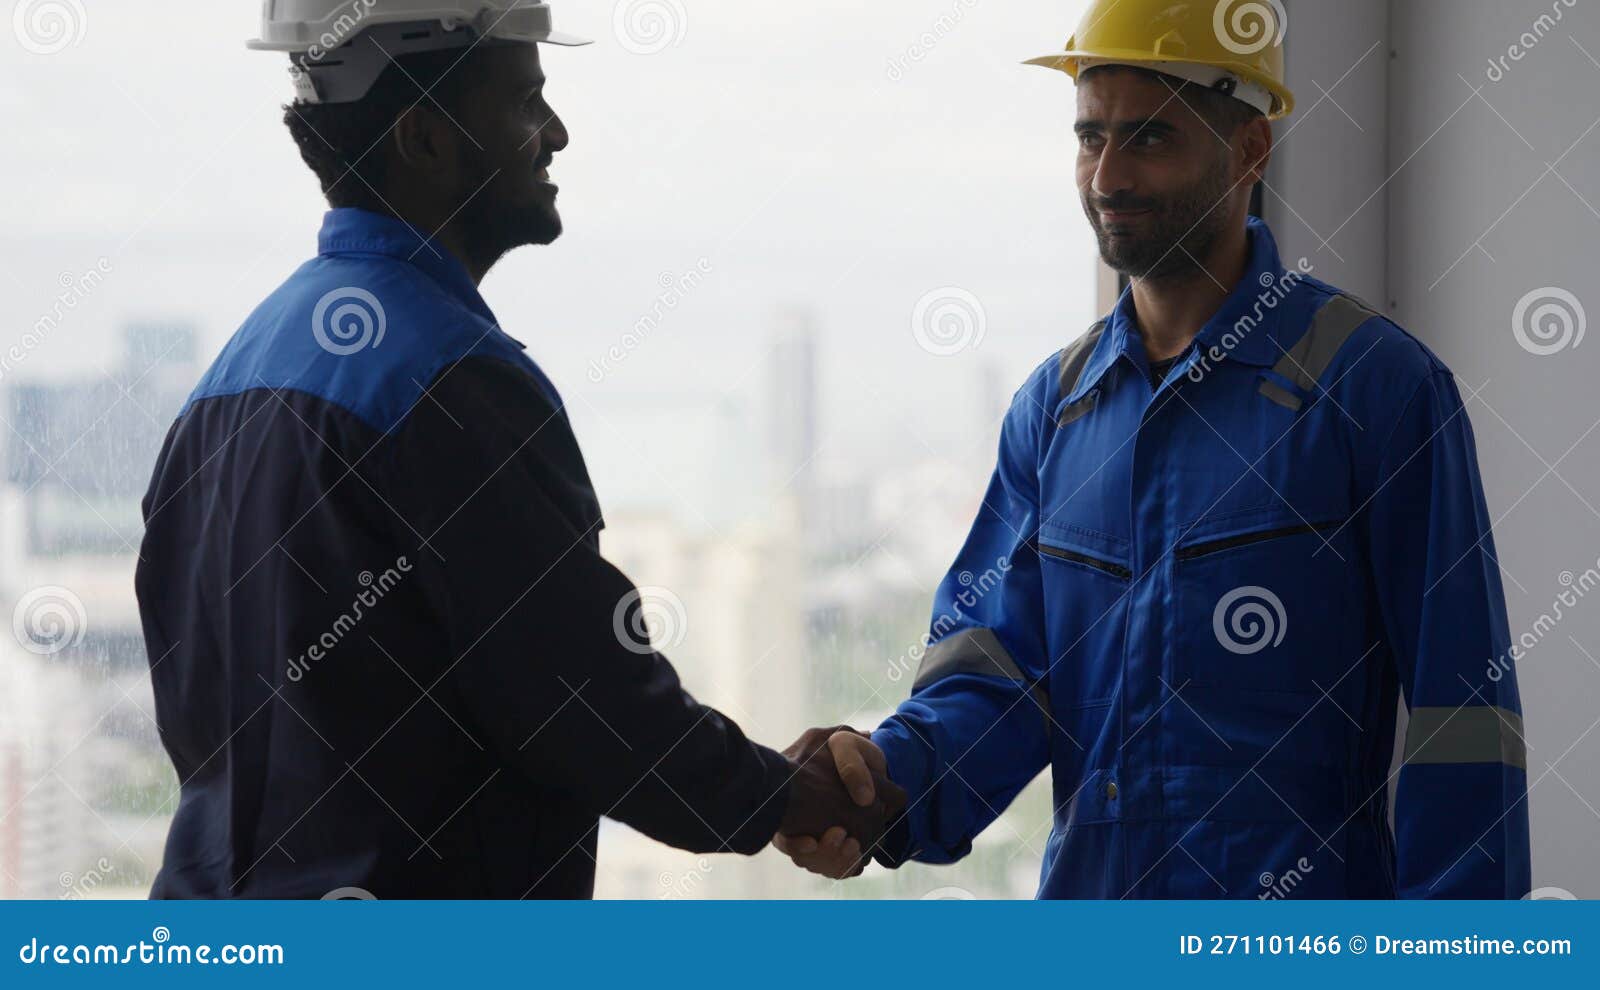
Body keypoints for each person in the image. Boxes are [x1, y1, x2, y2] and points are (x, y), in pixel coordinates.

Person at [135, 0, 900, 899]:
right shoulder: (451, 379)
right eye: (525, 101)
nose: (558, 133)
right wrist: (780, 796)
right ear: (424, 139)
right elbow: (580, 695)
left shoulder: (229, 382)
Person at [776, 0, 1532, 898]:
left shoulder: (1374, 389)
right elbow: (999, 677)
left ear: (1250, 149)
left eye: (1149, 139)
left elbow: (1464, 717)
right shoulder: (1055, 410)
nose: (1107, 176)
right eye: (1090, 138)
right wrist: (879, 783)